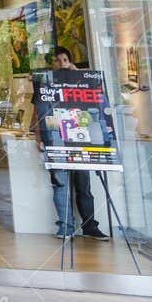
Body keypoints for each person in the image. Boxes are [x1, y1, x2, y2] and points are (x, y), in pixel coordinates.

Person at [45, 46, 106, 239]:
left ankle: (90, 226)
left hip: (80, 139)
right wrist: (39, 136)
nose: (61, 64)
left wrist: (78, 75)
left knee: (83, 184)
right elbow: (39, 111)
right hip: (57, 138)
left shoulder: (80, 84)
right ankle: (65, 226)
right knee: (61, 185)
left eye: (65, 60)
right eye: (57, 60)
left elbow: (97, 98)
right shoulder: (47, 86)